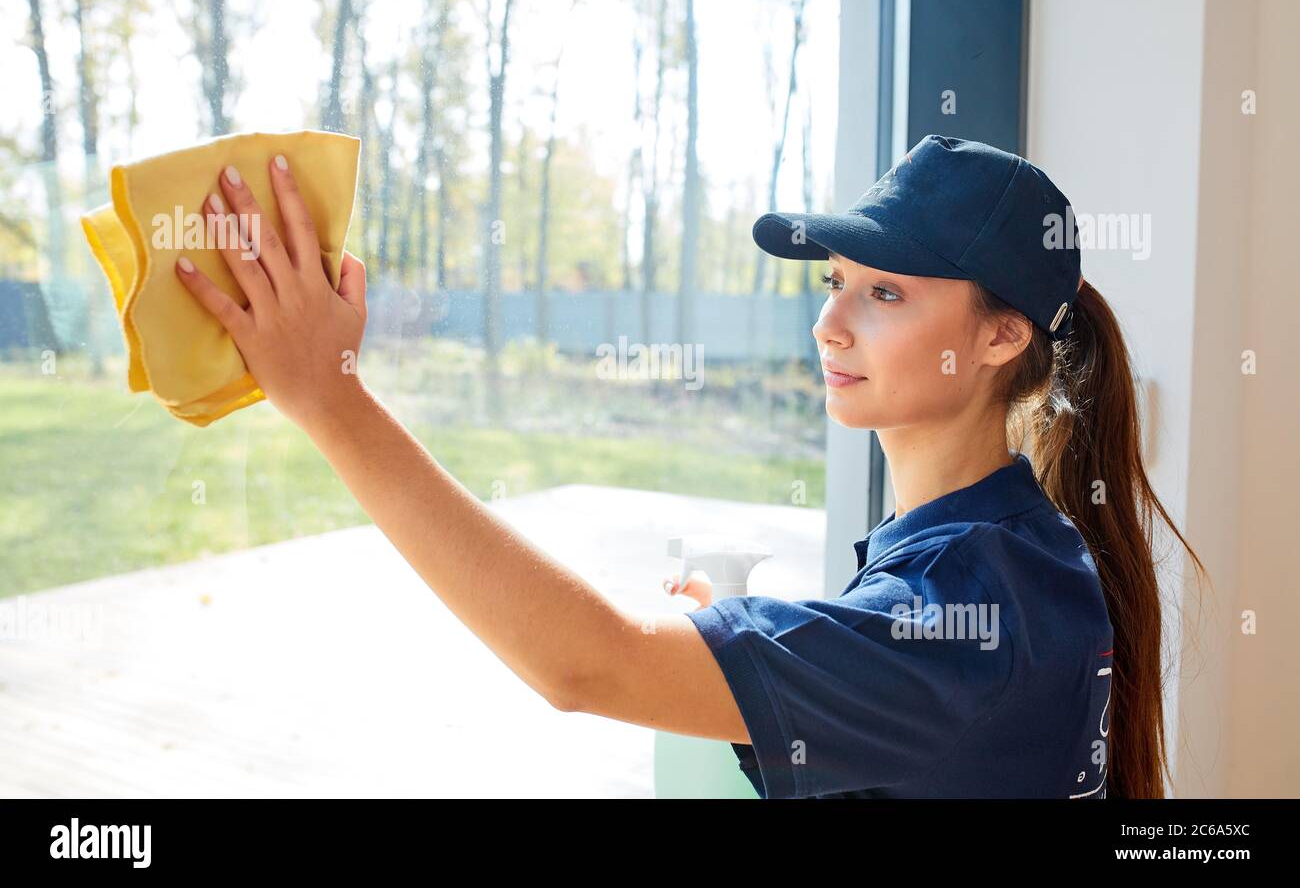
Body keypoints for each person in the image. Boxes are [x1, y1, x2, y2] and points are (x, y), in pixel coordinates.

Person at [175, 134, 1205, 799]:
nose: (829, 320)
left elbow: (588, 662)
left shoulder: (965, 604)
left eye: (885, 294)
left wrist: (329, 398)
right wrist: (753, 650)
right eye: (837, 279)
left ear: (997, 337)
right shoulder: (1012, 555)